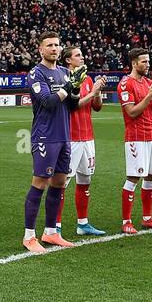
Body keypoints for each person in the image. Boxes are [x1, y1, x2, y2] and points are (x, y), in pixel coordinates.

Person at [21, 31, 85, 253]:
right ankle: (29, 236)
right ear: (40, 50)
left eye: (57, 45)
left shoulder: (65, 72)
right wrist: (69, 88)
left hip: (64, 135)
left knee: (59, 183)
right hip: (45, 136)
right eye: (49, 45)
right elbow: (48, 102)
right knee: (40, 183)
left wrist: (75, 89)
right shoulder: (36, 73)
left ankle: (50, 232)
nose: (55, 48)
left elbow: (73, 106)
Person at [118, 47, 152, 234]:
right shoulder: (125, 84)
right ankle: (126, 221)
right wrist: (149, 96)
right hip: (135, 137)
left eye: (148, 61)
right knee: (133, 177)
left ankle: (147, 218)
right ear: (134, 63)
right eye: (144, 62)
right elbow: (131, 113)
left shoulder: (149, 82)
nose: (147, 65)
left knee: (151, 176)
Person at [58, 45, 107, 237]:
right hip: (71, 137)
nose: (82, 57)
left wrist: (98, 91)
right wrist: (92, 92)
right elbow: (73, 107)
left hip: (88, 137)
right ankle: (56, 225)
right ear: (68, 60)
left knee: (85, 180)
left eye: (82, 54)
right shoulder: (64, 79)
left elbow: (97, 107)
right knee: (62, 182)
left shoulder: (87, 79)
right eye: (78, 55)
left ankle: (83, 224)